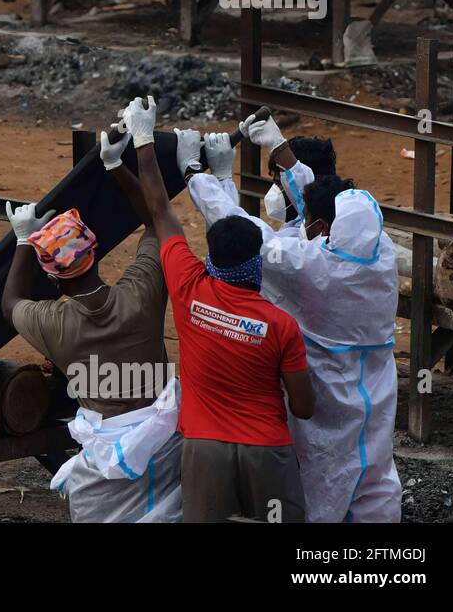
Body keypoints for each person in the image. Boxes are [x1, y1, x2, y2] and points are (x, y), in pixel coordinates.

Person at [185, 114, 402, 522]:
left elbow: (247, 232)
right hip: (375, 391)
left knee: (322, 482)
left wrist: (199, 176)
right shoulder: (380, 249)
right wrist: (279, 146)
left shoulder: (309, 265)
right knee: (374, 480)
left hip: (327, 395)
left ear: (323, 228)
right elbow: (316, 208)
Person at [123, 96, 314, 523]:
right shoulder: (281, 325)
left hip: (204, 448)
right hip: (268, 451)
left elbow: (158, 209)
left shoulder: (189, 285)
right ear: (257, 263)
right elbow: (303, 407)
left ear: (213, 257)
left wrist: (143, 139)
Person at [1, 129, 182, 523]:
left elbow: (10, 302)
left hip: (103, 461)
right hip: (164, 443)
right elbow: (156, 223)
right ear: (95, 254)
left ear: (53, 280)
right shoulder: (140, 294)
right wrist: (116, 165)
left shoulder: (54, 323)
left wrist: (22, 240)